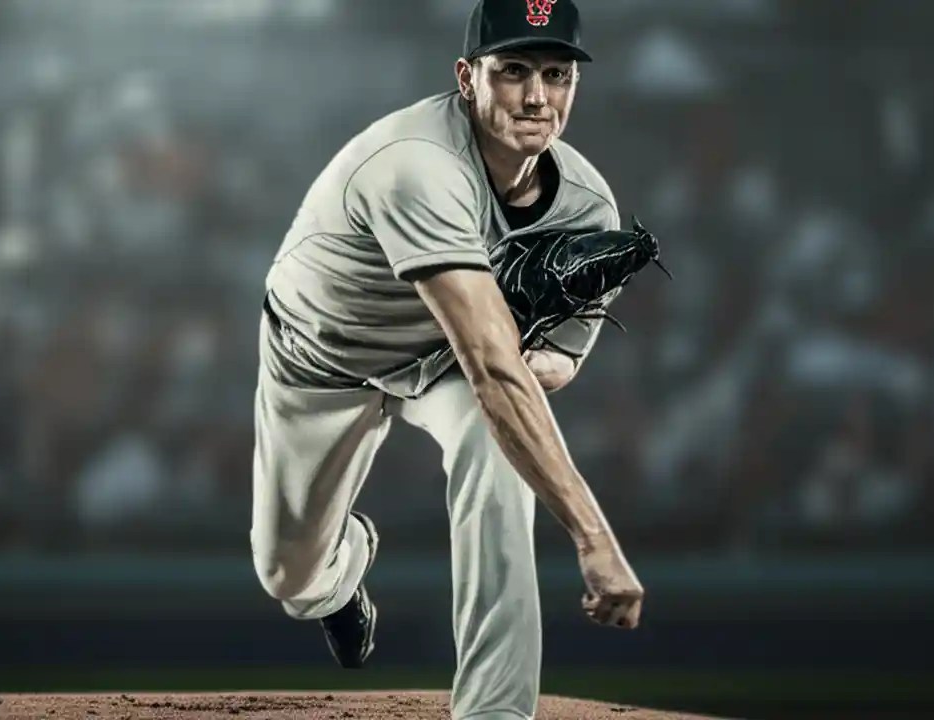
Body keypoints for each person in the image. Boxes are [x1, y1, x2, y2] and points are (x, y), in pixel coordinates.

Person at [250, 1, 644, 717]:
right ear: (467, 77)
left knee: (505, 450)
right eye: (513, 71)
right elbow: (497, 372)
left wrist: (527, 347)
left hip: (440, 358)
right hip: (322, 350)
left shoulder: (588, 210)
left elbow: (546, 369)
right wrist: (594, 539)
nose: (536, 96)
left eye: (557, 75)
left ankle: (496, 710)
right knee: (288, 574)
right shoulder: (418, 165)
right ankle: (339, 579)